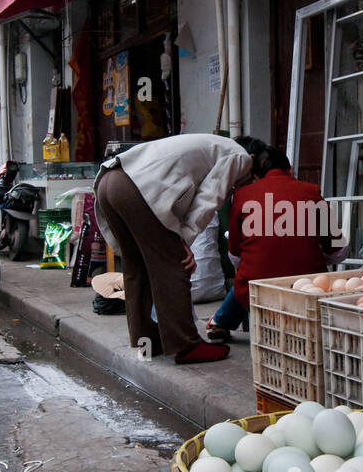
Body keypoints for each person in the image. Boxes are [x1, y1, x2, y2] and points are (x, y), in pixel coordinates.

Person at [93, 133, 253, 364]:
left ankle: (148, 342)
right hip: (136, 188)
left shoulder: (211, 145)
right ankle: (186, 346)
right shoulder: (239, 157)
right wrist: (183, 240)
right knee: (174, 264)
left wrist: (178, 237)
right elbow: (208, 199)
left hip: (109, 181)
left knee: (136, 267)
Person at [207, 143, 335, 343]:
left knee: (246, 276)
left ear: (256, 176)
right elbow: (340, 251)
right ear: (290, 169)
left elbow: (234, 255)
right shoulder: (312, 191)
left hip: (257, 291)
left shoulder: (242, 196)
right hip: (307, 288)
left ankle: (219, 322)